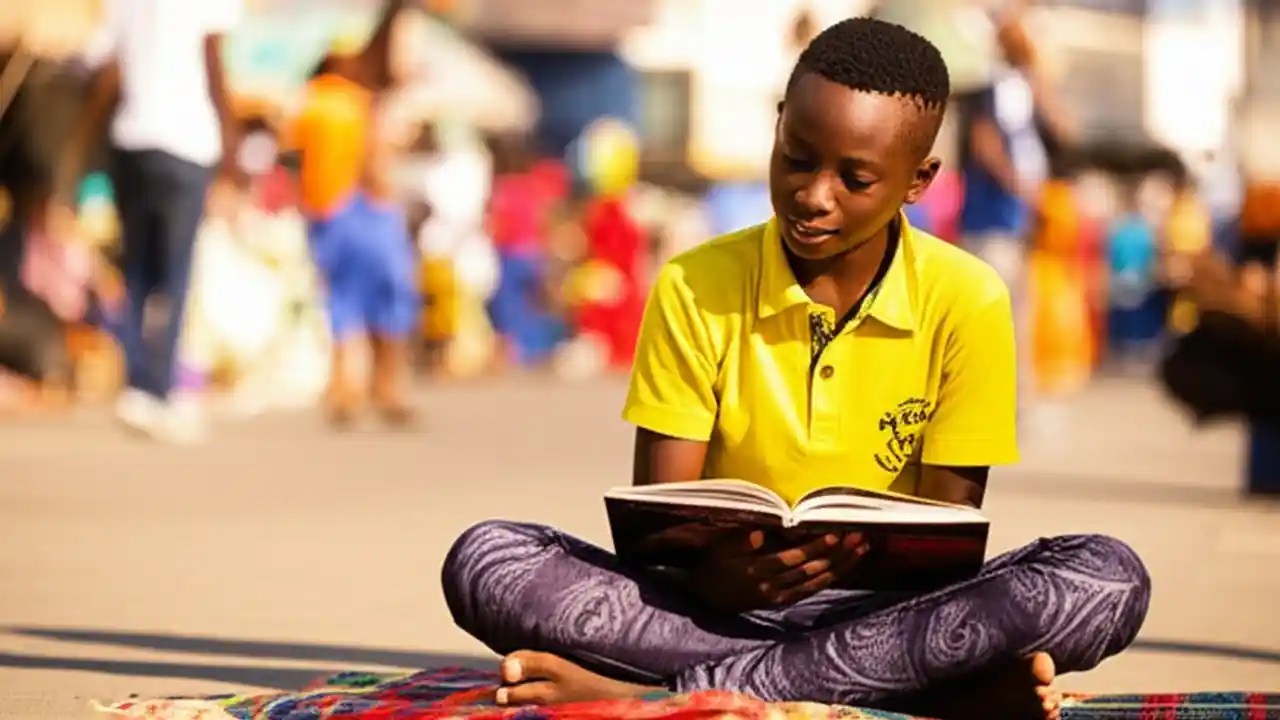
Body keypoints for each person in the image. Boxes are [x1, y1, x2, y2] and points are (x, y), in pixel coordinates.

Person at [440, 18, 1149, 720]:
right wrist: (718, 578)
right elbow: (659, 530)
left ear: (918, 180)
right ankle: (910, 695)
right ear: (779, 125)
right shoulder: (695, 284)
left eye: (856, 178)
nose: (814, 195)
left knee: (1106, 578)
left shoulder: (968, 298)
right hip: (710, 612)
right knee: (488, 561)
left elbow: (944, 553)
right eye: (797, 159)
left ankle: (677, 694)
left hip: (893, 621)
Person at [53, 0, 242, 442]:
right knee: (173, 275)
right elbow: (213, 62)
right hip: (186, 141)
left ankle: (139, 384)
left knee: (137, 270)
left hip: (133, 139)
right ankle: (159, 389)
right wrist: (231, 140)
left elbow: (100, 63)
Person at [288, 0, 419, 426]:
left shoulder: (312, 101)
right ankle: (383, 385)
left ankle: (346, 387)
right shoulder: (348, 102)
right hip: (360, 212)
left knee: (343, 302)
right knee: (389, 296)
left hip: (328, 214)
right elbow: (371, 165)